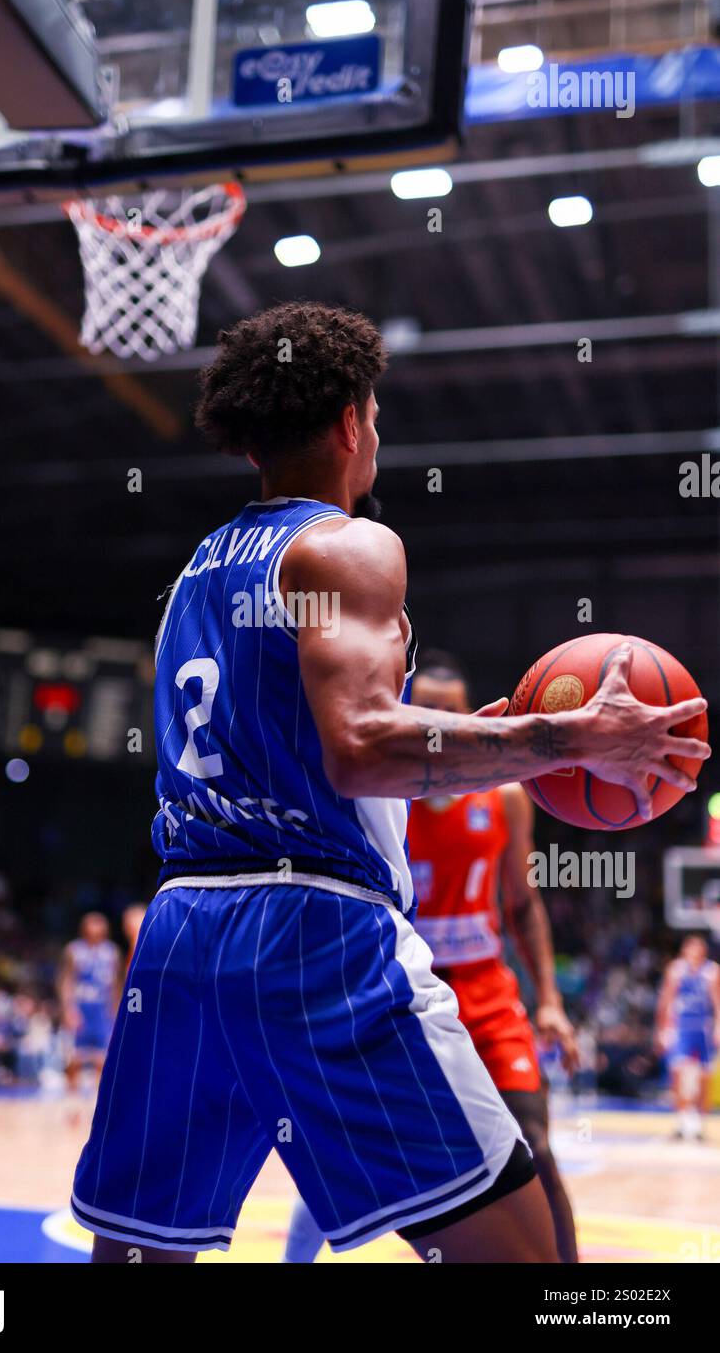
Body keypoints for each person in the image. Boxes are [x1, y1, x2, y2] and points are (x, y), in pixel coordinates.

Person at [70, 302, 708, 1264]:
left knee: (138, 1254)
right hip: (310, 931)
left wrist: (479, 738)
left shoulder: (196, 574)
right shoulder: (349, 545)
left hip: (182, 934)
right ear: (349, 423)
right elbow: (361, 748)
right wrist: (569, 734)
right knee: (528, 1260)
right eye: (375, 414)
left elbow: (312, 753)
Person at [283, 649, 579, 1263]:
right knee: (348, 1147)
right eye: (431, 713)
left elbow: (522, 903)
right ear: (409, 714)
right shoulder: (378, 791)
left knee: (535, 1147)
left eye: (454, 713)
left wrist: (549, 1000)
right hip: (395, 983)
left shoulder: (507, 798)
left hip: (486, 992)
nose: (442, 727)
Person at [655, 933, 720, 1141]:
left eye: (697, 948)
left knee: (704, 1077)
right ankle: (682, 1121)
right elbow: (666, 1000)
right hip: (681, 1027)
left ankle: (700, 1124)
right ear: (684, 950)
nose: (693, 952)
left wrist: (719, 1026)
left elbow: (717, 1002)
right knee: (677, 1074)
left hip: (703, 1028)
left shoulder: (712, 972)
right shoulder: (676, 970)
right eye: (690, 948)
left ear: (703, 951)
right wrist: (662, 1029)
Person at [58, 912, 120, 1100]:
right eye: (92, 924)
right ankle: (72, 1103)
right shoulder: (74, 950)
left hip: (102, 1010)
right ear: (84, 928)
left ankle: (97, 1104)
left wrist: (116, 1010)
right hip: (81, 1008)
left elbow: (116, 985)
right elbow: (66, 981)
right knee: (74, 1061)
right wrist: (68, 1009)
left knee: (103, 1060)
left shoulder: (112, 951)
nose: (96, 929)